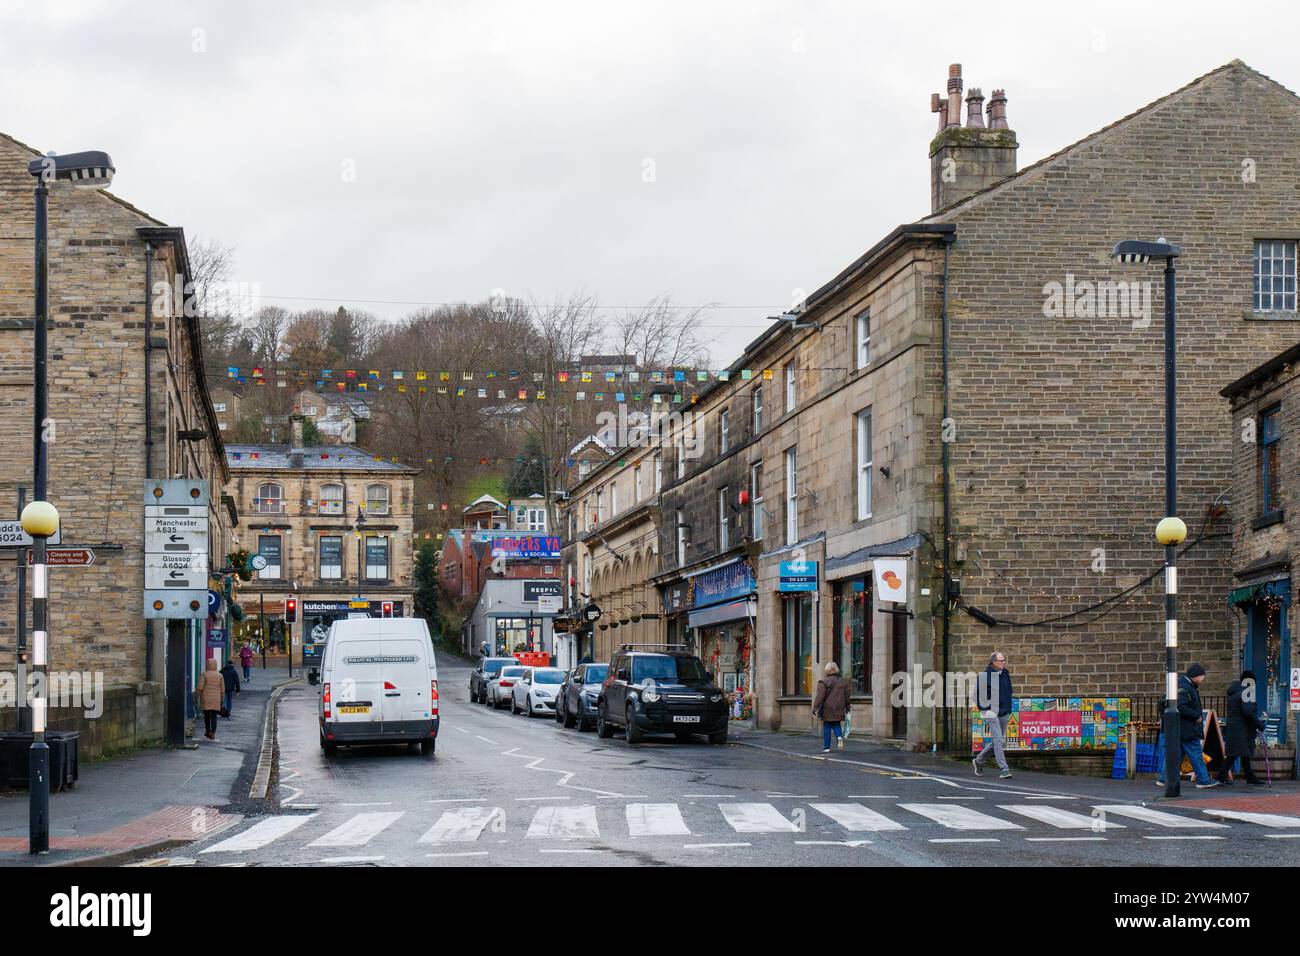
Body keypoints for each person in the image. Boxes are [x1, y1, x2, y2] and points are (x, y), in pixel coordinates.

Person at [1157, 662, 1220, 789]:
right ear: (1195, 675)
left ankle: (1164, 778)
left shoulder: (1182, 685)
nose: (1203, 678)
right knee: (1196, 753)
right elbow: (1180, 706)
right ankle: (1203, 779)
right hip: (1187, 728)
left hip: (1180, 728)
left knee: (1175, 755)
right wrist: (1196, 716)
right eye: (1202, 675)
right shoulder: (1185, 687)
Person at [1219, 669, 1266, 786]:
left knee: (1243, 752)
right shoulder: (1246, 692)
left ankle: (1250, 776)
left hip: (1235, 726)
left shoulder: (1235, 691)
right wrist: (1259, 724)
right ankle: (1221, 775)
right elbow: (1248, 711)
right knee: (1234, 754)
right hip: (1242, 728)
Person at [972, 651, 1014, 779]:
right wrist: (986, 709)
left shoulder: (1005, 673)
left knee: (998, 740)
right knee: (998, 740)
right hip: (991, 711)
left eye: (1004, 660)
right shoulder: (984, 676)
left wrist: (1008, 706)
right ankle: (1004, 768)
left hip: (1004, 710)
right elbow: (976, 695)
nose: (1003, 663)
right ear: (993, 662)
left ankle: (979, 760)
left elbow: (1009, 690)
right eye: (1001, 661)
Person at [812, 661, 851, 753]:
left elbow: (820, 697)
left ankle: (826, 747)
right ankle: (839, 738)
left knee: (827, 725)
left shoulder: (824, 682)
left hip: (827, 708)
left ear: (827, 670)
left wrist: (815, 708)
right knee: (836, 724)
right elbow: (846, 696)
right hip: (839, 707)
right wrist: (847, 706)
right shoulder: (843, 681)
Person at [195, 657, 224, 741]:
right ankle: (213, 732)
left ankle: (208, 731)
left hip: (206, 699)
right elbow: (222, 690)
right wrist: (222, 700)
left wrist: (196, 696)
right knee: (214, 716)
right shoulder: (220, 675)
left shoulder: (204, 674)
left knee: (207, 716)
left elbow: (200, 687)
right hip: (216, 699)